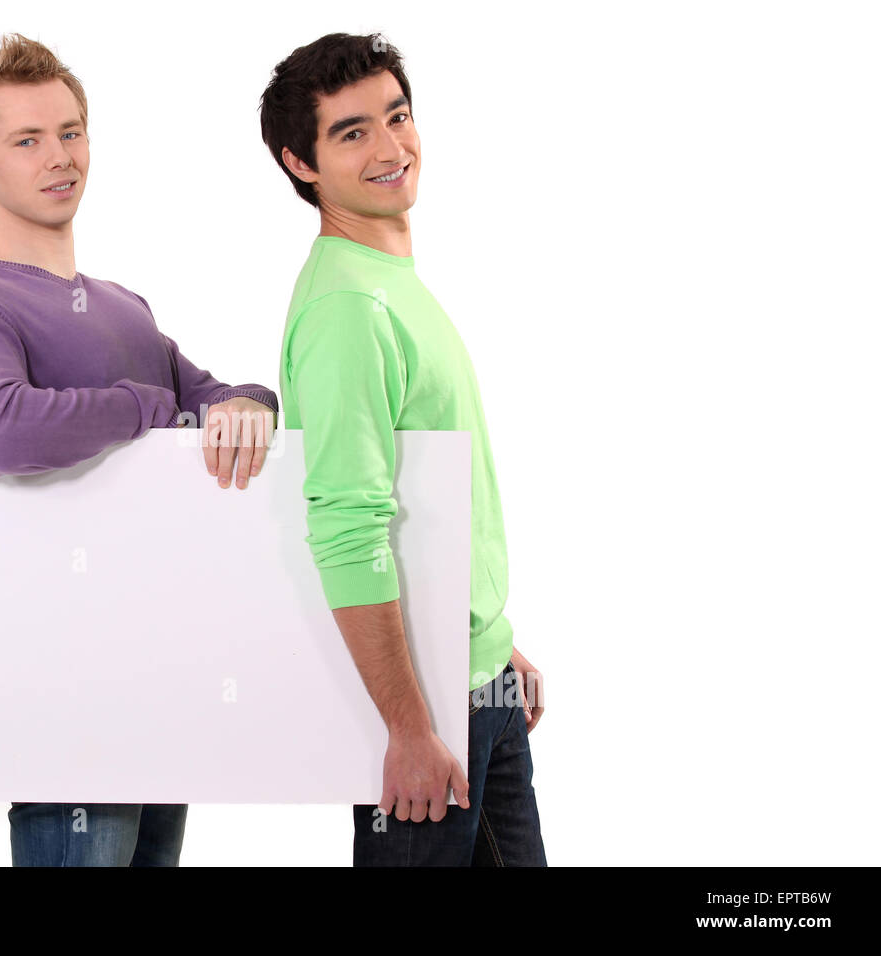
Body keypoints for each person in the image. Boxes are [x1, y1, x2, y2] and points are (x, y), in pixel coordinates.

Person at [0, 33, 279, 866]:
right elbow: (1, 429)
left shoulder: (123, 305)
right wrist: (150, 409)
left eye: (72, 132)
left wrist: (245, 406)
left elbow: (218, 398)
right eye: (28, 140)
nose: (60, 157)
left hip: (163, 675)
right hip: (63, 694)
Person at [259, 32, 547, 866]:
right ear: (301, 163)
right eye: (352, 133)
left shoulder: (390, 282)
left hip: (476, 681)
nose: (392, 148)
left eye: (398, 116)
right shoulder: (348, 309)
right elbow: (346, 528)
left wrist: (488, 638)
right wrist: (408, 728)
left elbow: (431, 495)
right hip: (429, 714)